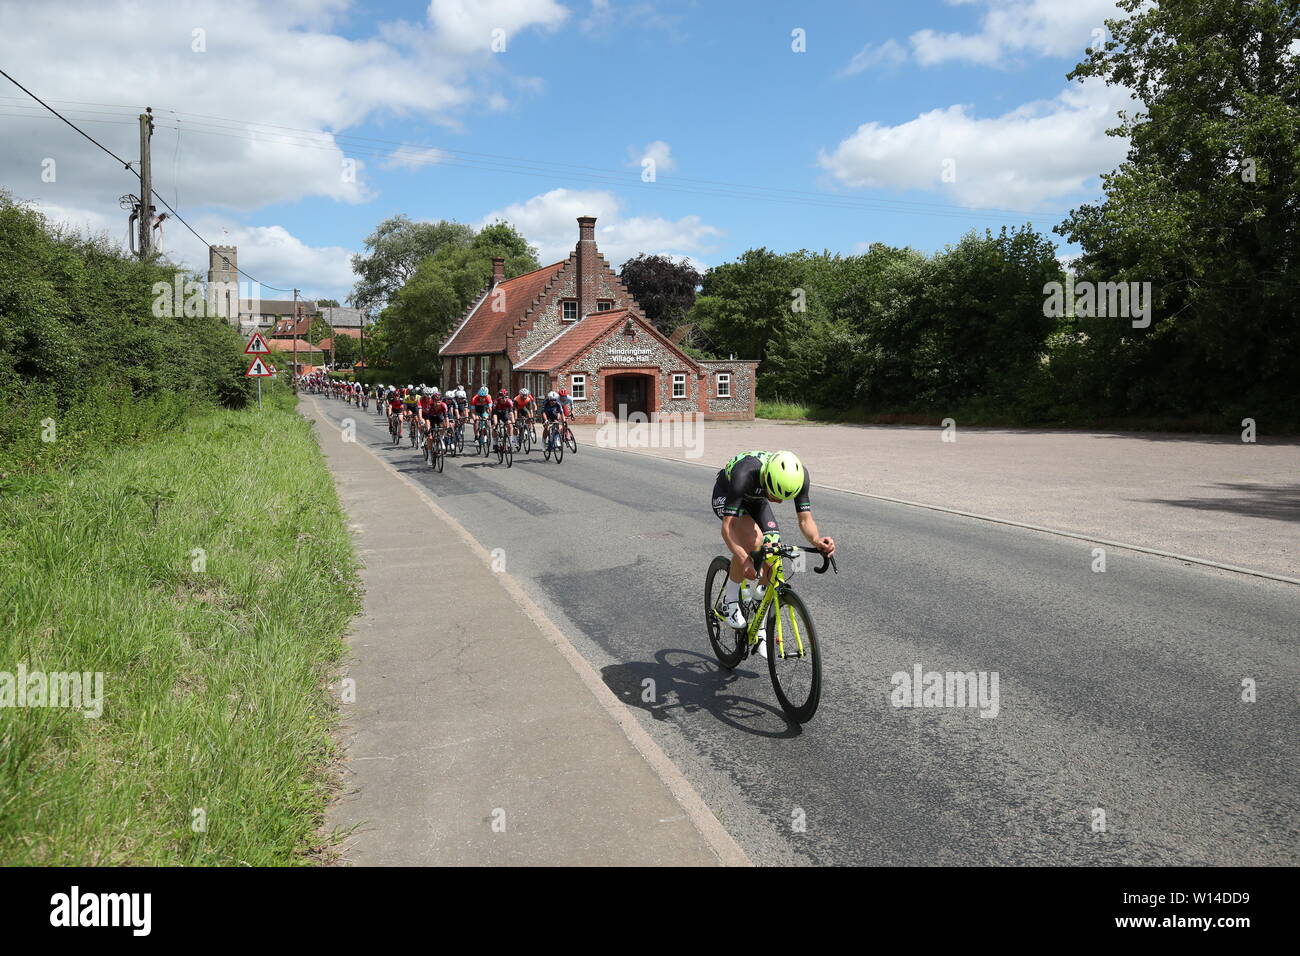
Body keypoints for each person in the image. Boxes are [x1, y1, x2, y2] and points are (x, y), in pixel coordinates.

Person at [711, 450, 835, 652]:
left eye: (784, 498)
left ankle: (759, 623)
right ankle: (729, 600)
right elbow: (728, 528)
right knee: (754, 540)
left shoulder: (800, 475)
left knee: (773, 548)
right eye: (775, 496)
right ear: (767, 478)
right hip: (728, 494)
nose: (779, 502)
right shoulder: (745, 473)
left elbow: (805, 519)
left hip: (757, 498)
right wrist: (745, 559)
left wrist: (817, 540)